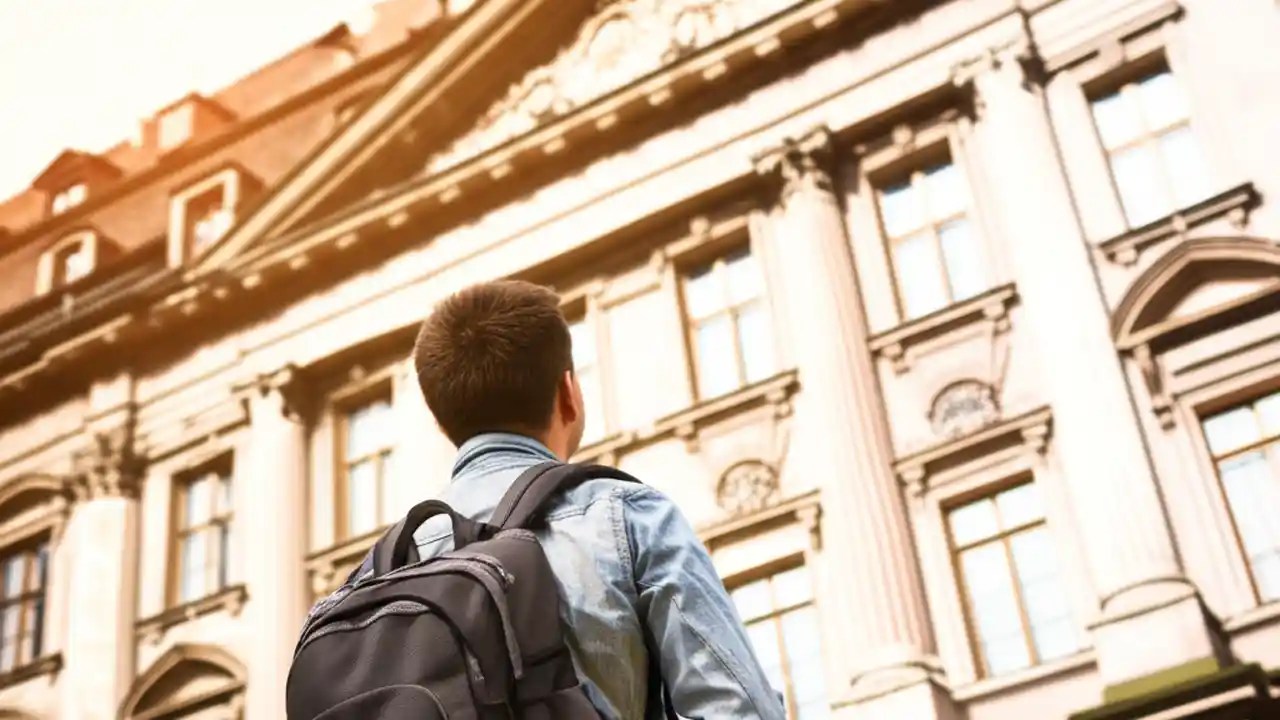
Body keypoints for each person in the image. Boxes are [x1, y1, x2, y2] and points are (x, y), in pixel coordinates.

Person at [409, 279, 787, 719]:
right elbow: (738, 709)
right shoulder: (628, 517)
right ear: (568, 394)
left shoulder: (379, 571)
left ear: (443, 425)